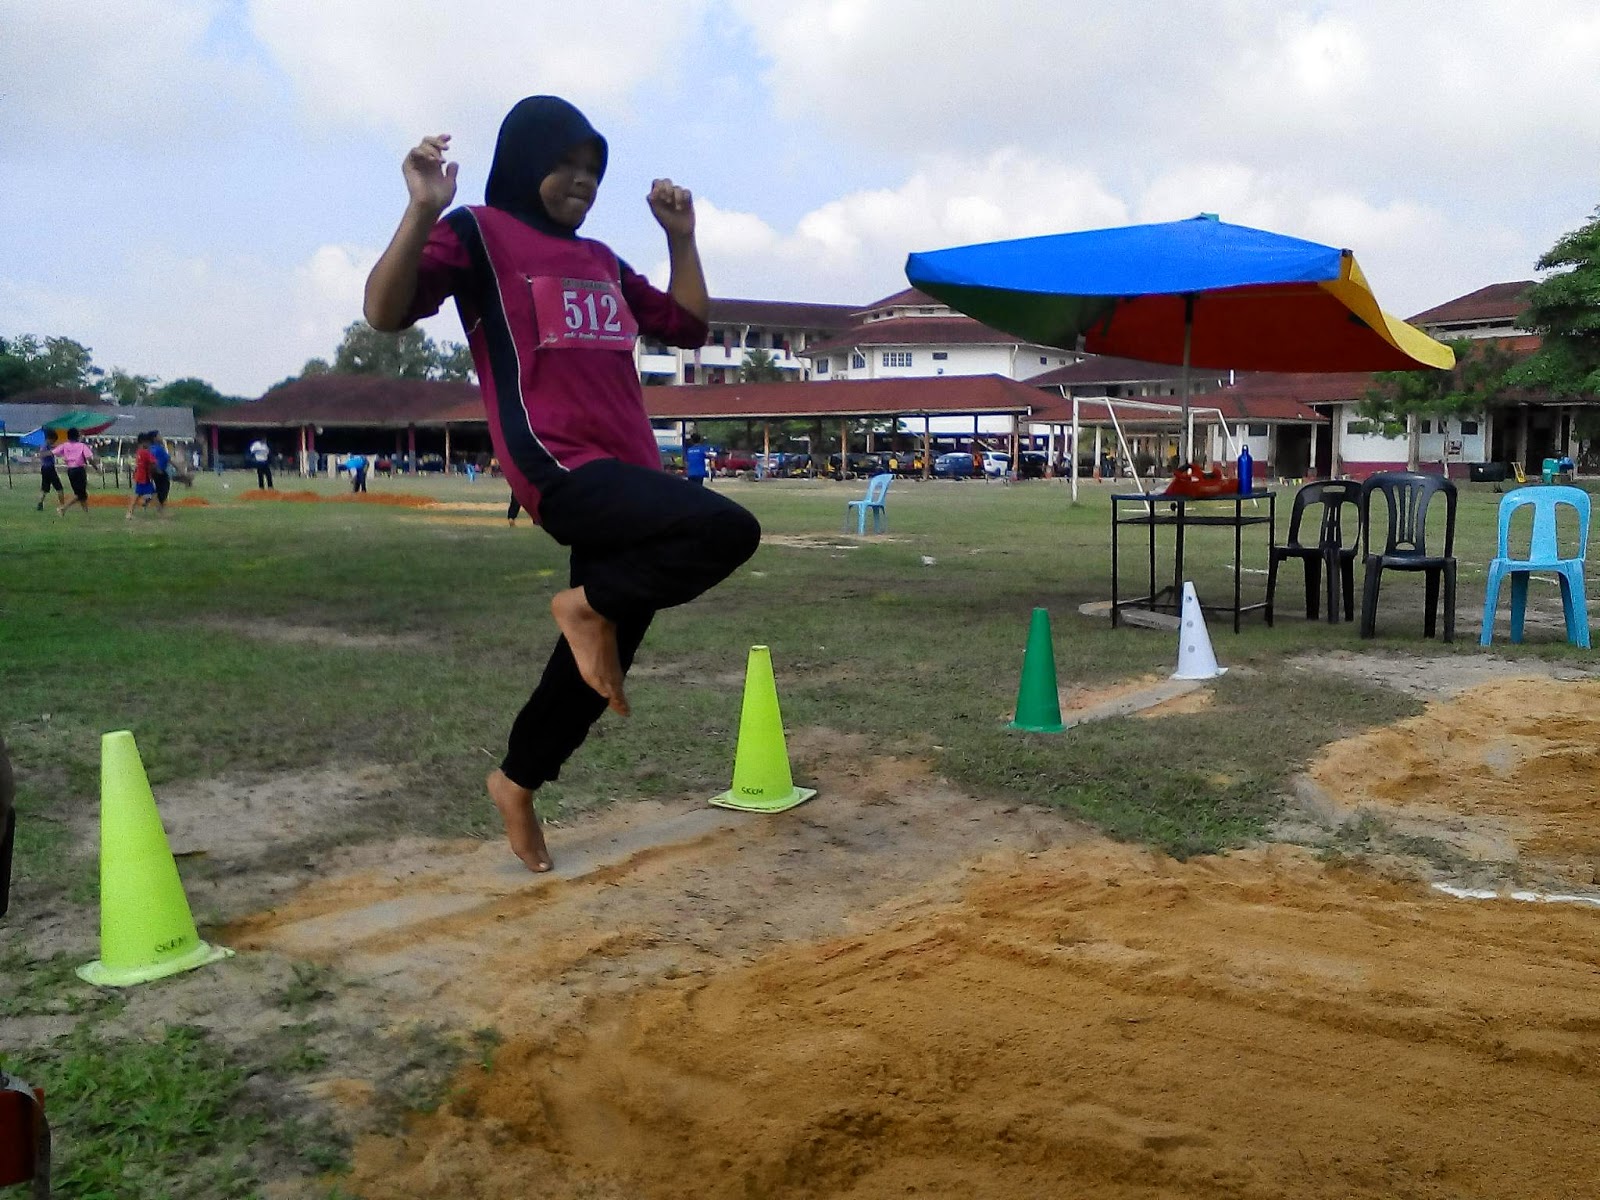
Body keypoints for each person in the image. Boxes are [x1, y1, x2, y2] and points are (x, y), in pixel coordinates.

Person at [364, 95, 760, 873]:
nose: (582, 181)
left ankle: (517, 780)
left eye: (593, 170)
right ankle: (583, 605)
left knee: (598, 660)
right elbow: (384, 312)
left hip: (629, 468)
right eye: (566, 165)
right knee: (727, 529)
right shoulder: (477, 231)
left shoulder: (603, 260)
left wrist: (682, 238)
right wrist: (421, 211)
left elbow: (686, 325)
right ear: (525, 162)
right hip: (557, 460)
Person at [53, 429, 94, 514]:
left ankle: (86, 513)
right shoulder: (82, 446)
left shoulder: (65, 445)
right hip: (79, 470)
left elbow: (54, 452)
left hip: (70, 470)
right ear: (77, 436)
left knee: (81, 493)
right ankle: (63, 508)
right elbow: (89, 458)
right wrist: (96, 468)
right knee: (80, 494)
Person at [126, 432, 160, 519]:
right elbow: (153, 462)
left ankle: (130, 512)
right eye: (148, 442)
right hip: (144, 478)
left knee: (143, 495)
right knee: (142, 495)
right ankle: (161, 513)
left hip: (140, 477)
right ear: (144, 442)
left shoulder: (139, 452)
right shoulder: (145, 453)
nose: (149, 445)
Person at [146, 431, 174, 515]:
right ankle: (159, 506)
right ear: (154, 438)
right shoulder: (158, 449)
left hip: (156, 472)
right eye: (159, 436)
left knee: (160, 488)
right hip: (160, 471)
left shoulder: (152, 448)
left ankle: (156, 503)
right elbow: (167, 459)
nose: (161, 437)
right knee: (164, 488)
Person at [36, 440, 63, 511]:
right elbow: (42, 454)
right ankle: (62, 505)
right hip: (50, 468)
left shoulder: (44, 445)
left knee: (44, 488)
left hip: (44, 468)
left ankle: (40, 503)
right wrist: (52, 452)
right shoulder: (46, 447)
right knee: (59, 488)